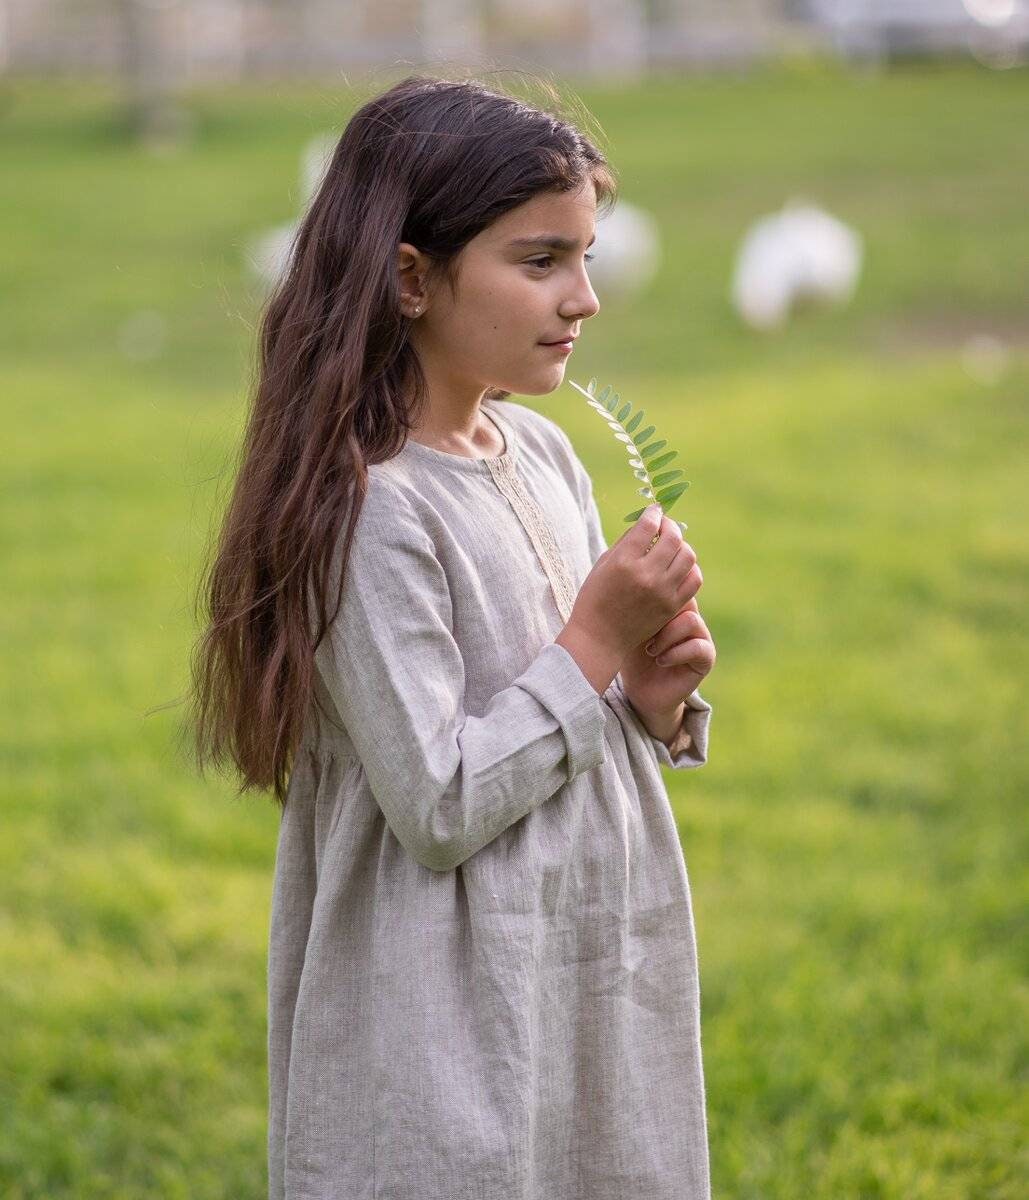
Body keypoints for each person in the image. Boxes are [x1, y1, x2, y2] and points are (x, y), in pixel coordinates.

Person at [188, 73, 717, 1200]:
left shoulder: (545, 454)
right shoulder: (370, 509)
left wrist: (645, 695)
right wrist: (593, 641)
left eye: (585, 257)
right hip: (442, 992)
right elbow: (437, 802)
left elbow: (566, 702)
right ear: (411, 278)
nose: (584, 298)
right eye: (541, 261)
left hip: (583, 949)